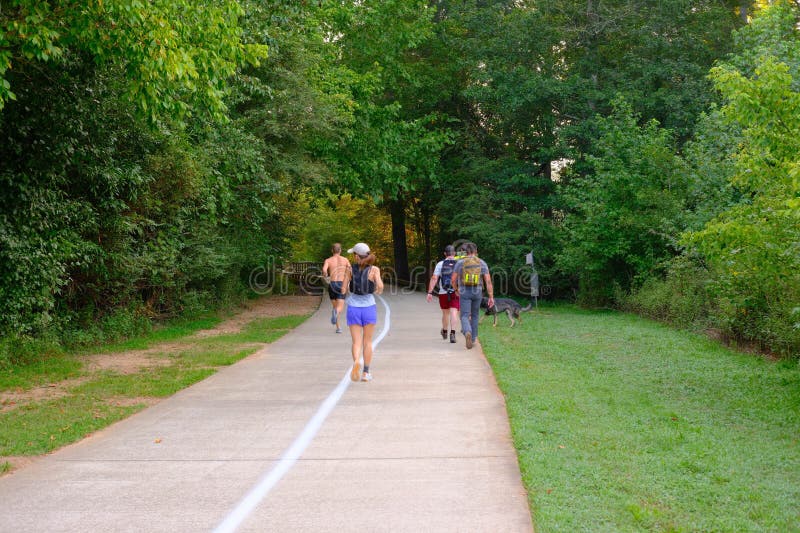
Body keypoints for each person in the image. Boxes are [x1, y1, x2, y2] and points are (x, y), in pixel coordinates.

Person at [343, 242, 384, 382]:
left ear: (356, 256)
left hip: (353, 308)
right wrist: (378, 290)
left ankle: (356, 361)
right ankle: (366, 373)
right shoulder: (374, 269)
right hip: (369, 307)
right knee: (368, 341)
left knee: (356, 342)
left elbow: (343, 289)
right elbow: (380, 286)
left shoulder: (349, 269)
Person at [451, 242, 494, 349]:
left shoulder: (460, 263)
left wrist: (456, 289)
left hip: (464, 291)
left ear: (465, 252)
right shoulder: (481, 263)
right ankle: (473, 338)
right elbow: (488, 281)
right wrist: (491, 296)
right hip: (477, 291)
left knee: (464, 315)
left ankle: (467, 332)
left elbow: (453, 279)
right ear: (476, 251)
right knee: (475, 315)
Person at [426, 244, 460, 343]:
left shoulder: (440, 264)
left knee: (445, 313)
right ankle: (452, 333)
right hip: (456, 291)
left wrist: (430, 292)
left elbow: (434, 278)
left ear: (445, 253)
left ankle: (445, 331)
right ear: (454, 253)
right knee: (454, 312)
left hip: (443, 292)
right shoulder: (459, 264)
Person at [322, 243, 351, 333]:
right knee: (340, 307)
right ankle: (336, 317)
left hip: (332, 284)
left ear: (332, 250)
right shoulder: (345, 260)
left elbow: (324, 270)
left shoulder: (328, 260)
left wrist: (325, 274)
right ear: (340, 250)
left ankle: (338, 328)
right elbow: (350, 270)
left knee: (335, 307)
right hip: (341, 284)